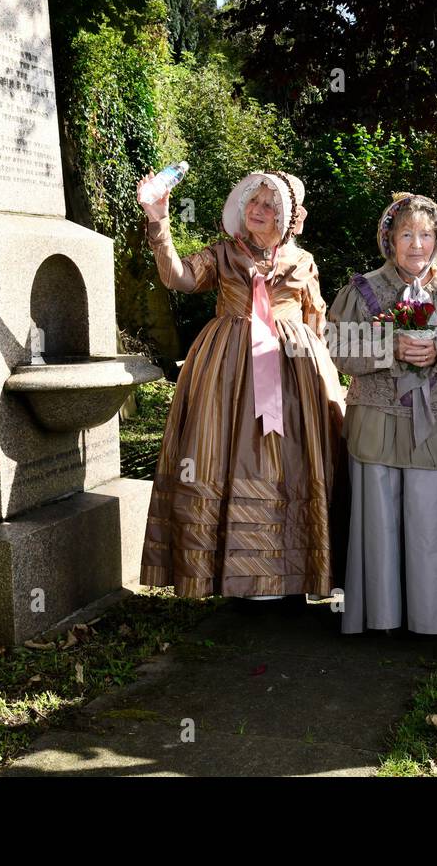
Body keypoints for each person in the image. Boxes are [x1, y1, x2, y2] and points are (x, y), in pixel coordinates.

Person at [136, 170, 346, 602]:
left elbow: (316, 319)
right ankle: (231, 573)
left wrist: (324, 379)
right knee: (222, 454)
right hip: (227, 370)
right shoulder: (222, 255)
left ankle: (290, 573)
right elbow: (179, 277)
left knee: (292, 460)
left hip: (292, 371)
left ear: (286, 218)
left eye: (268, 205)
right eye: (253, 201)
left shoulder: (303, 261)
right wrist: (159, 220)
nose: (257, 210)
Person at [328, 193, 437, 634]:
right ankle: (382, 615)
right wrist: (388, 347)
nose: (416, 243)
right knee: (380, 516)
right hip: (378, 419)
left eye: (426, 234)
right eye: (406, 233)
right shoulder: (361, 289)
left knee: (433, 515)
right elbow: (338, 349)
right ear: (390, 239)